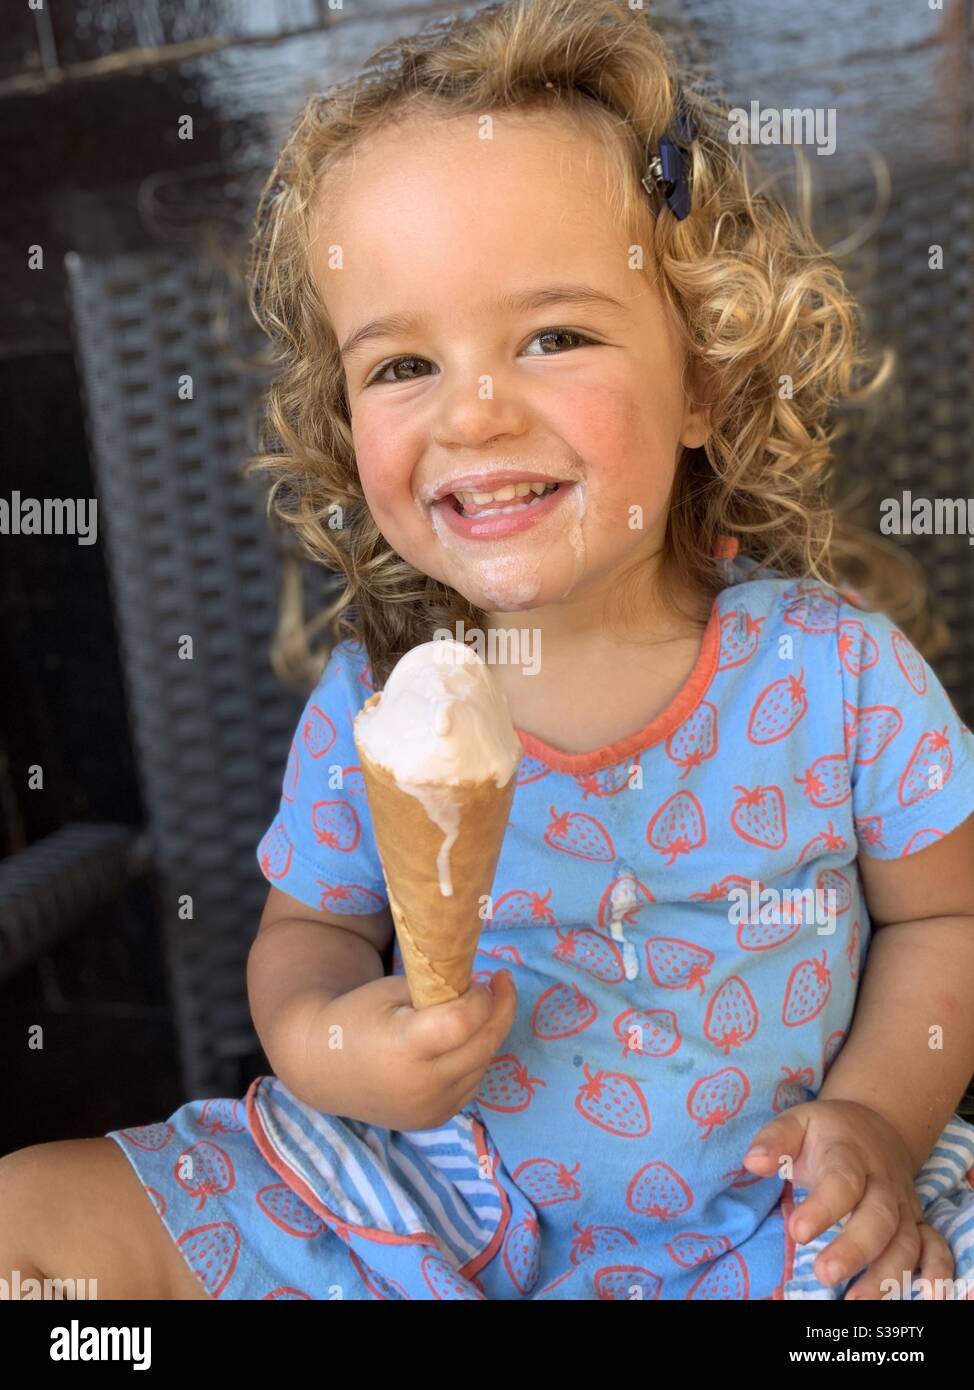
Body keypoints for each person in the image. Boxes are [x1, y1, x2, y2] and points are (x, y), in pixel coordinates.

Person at [3, 0, 974, 1301]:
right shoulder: (379, 703)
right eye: (401, 361)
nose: (472, 407)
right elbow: (309, 933)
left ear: (703, 378)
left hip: (778, 1220)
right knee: (27, 1216)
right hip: (412, 1202)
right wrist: (333, 1041)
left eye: (553, 335)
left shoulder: (835, 674)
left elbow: (949, 918)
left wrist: (879, 1121)